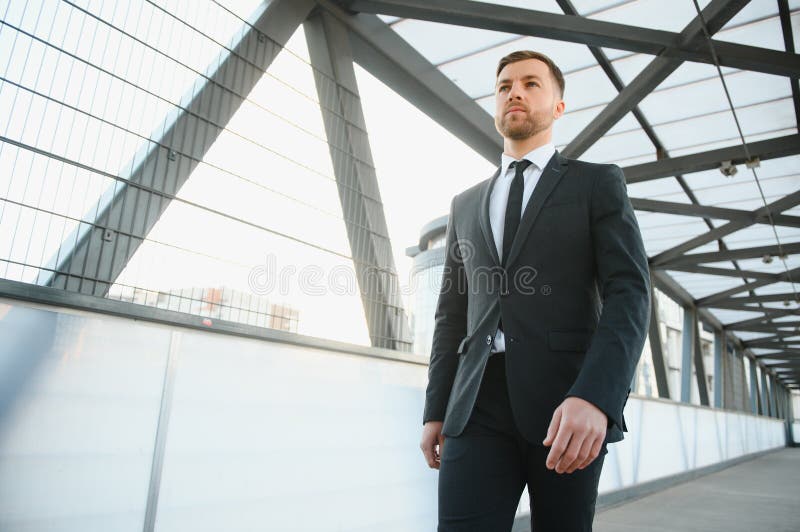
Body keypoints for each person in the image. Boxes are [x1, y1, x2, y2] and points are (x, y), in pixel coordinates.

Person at [419, 50, 650, 532]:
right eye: (504, 86)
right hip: (475, 403)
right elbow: (451, 315)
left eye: (530, 83)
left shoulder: (597, 184)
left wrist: (598, 398)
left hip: (568, 403)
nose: (515, 92)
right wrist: (435, 409)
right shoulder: (465, 204)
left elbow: (629, 293)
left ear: (558, 106)